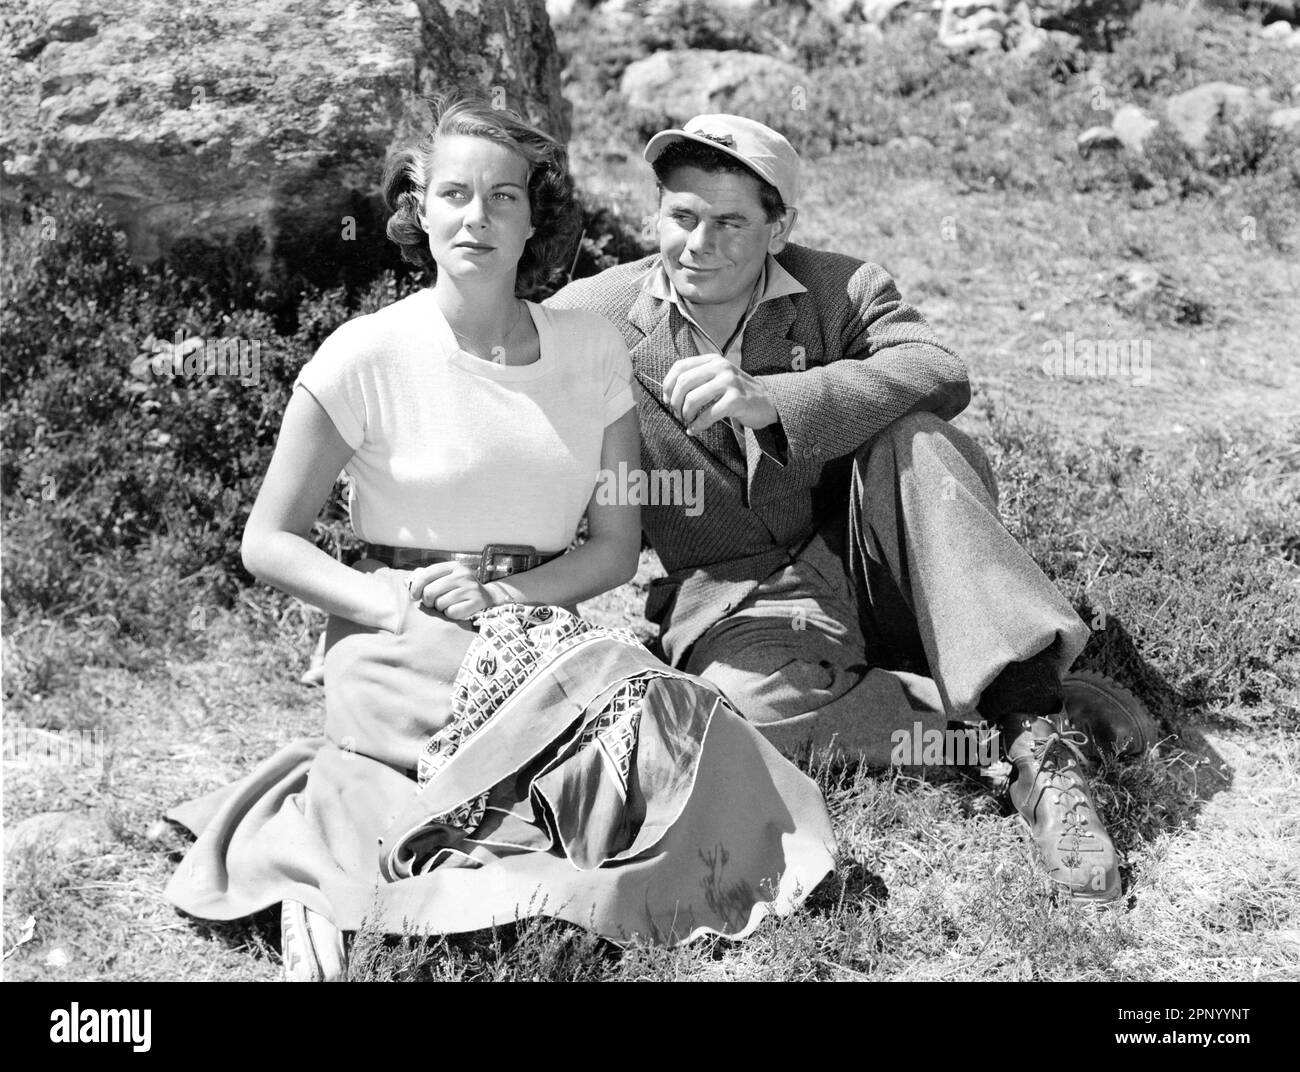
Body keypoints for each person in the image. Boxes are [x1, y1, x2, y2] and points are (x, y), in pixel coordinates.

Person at [163, 97, 835, 981]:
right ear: (419, 210)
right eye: (452, 194)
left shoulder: (592, 350)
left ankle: (397, 870)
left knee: (679, 733)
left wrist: (507, 598)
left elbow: (614, 546)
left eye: (503, 197)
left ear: (535, 218)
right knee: (520, 801)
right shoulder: (363, 353)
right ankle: (340, 880)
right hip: (400, 641)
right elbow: (267, 542)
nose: (475, 216)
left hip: (540, 631)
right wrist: (385, 601)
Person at [546, 114, 1156, 903]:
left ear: (779, 227)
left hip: (878, 564)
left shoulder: (843, 287)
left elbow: (938, 367)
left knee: (922, 442)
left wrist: (777, 399)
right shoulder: (592, 316)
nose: (699, 243)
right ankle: (1021, 711)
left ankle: (1050, 771)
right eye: (681, 216)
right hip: (739, 600)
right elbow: (507, 405)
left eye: (730, 221)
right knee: (732, 721)